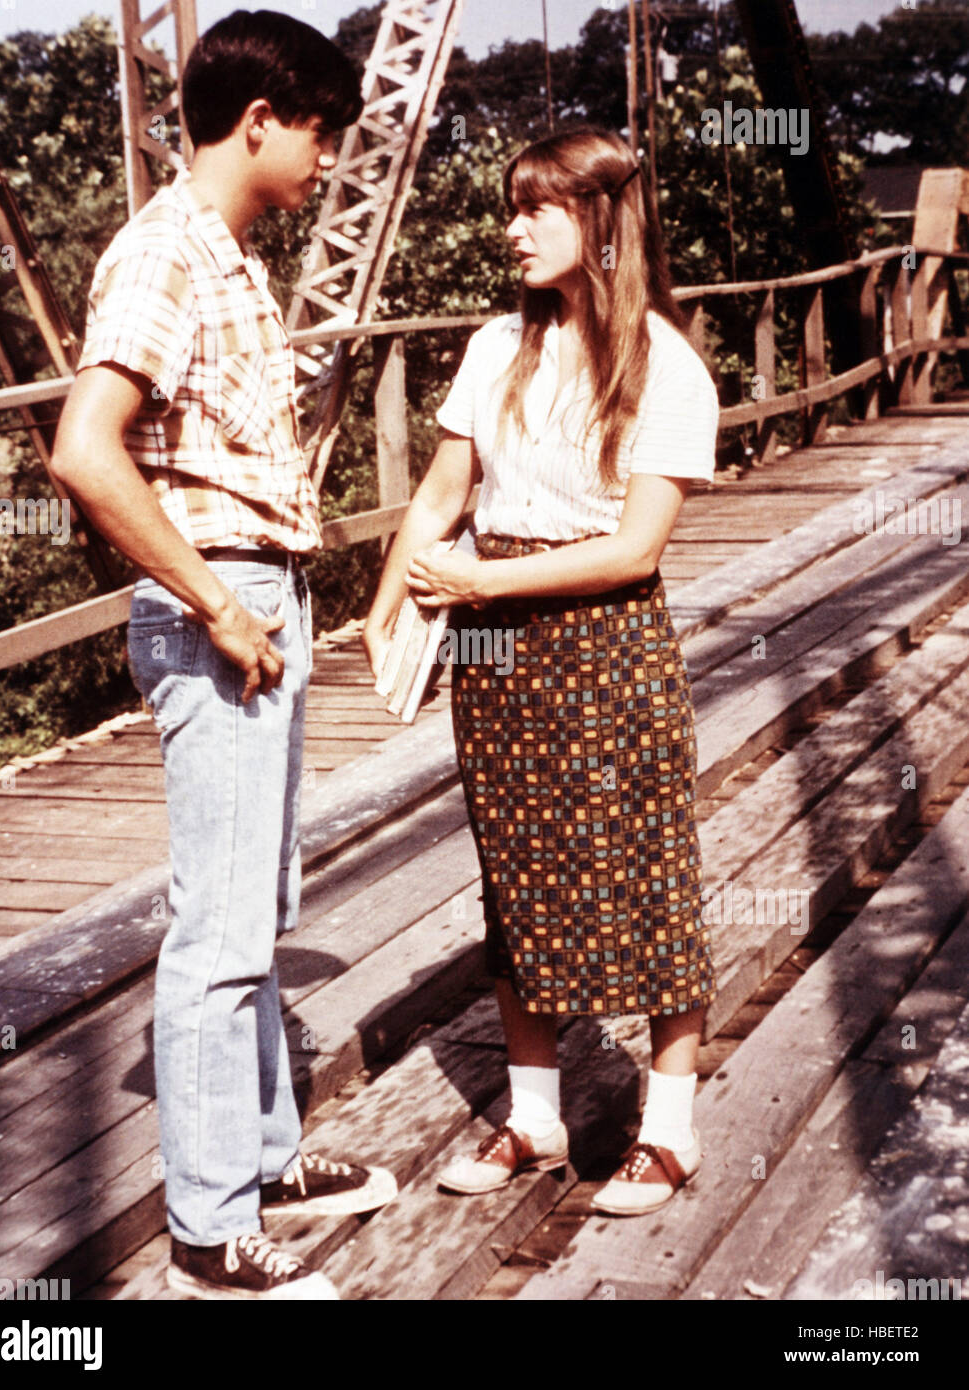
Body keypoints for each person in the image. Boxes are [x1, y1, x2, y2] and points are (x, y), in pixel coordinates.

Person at [50, 11, 396, 1300]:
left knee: (260, 904)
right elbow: (84, 455)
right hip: (223, 609)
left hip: (259, 596)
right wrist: (217, 605)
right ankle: (208, 1225)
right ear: (261, 121)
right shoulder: (164, 257)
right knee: (218, 926)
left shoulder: (229, 253)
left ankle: (258, 1156)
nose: (324, 160)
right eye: (317, 133)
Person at [364, 128, 720, 1217]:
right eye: (511, 207)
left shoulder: (666, 365)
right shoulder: (492, 349)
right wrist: (385, 607)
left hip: (602, 640)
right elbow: (437, 497)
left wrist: (478, 590)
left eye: (537, 208)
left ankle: (668, 1130)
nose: (511, 229)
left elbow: (634, 550)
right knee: (516, 880)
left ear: (601, 222)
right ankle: (534, 1115)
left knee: (642, 873)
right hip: (494, 651)